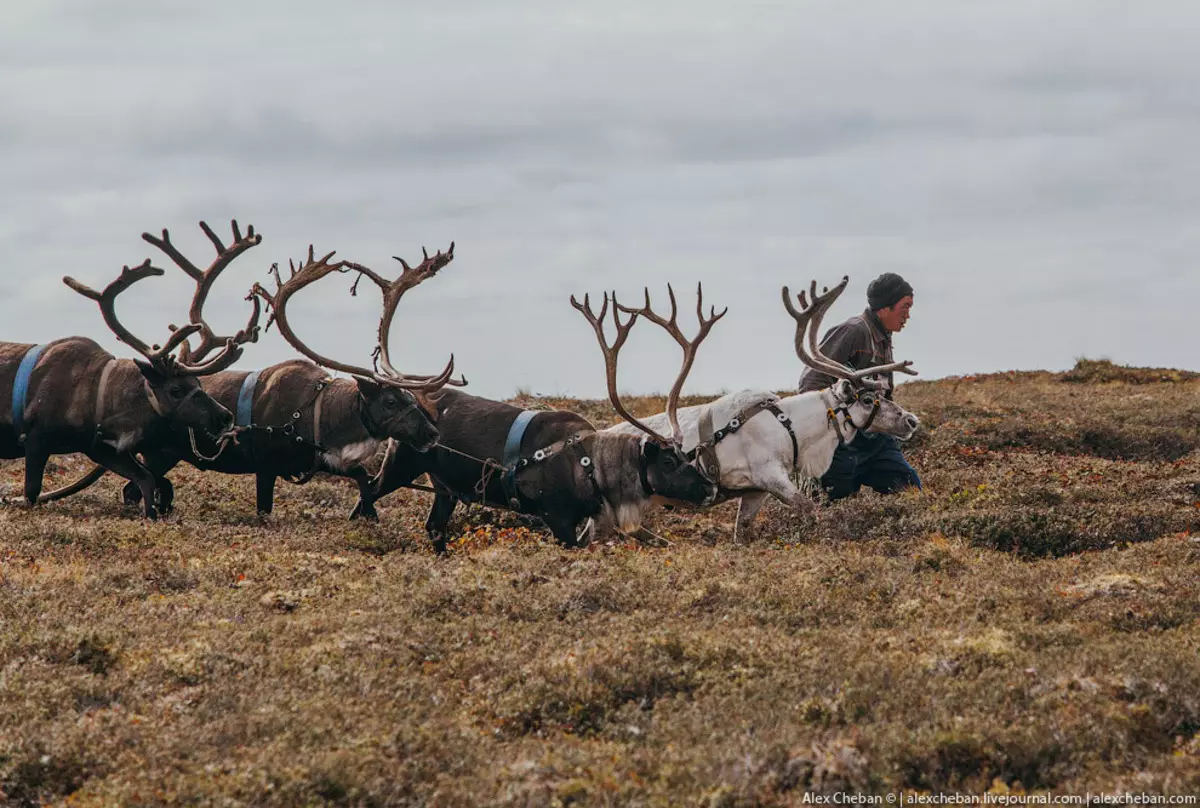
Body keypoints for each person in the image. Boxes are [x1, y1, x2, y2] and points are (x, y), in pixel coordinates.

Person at [798, 272, 921, 501]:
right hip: (842, 442)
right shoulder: (853, 331)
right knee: (835, 503)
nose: (908, 315)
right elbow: (811, 383)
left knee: (909, 489)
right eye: (905, 307)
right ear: (885, 308)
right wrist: (835, 433)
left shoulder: (882, 336)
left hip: (875, 439)